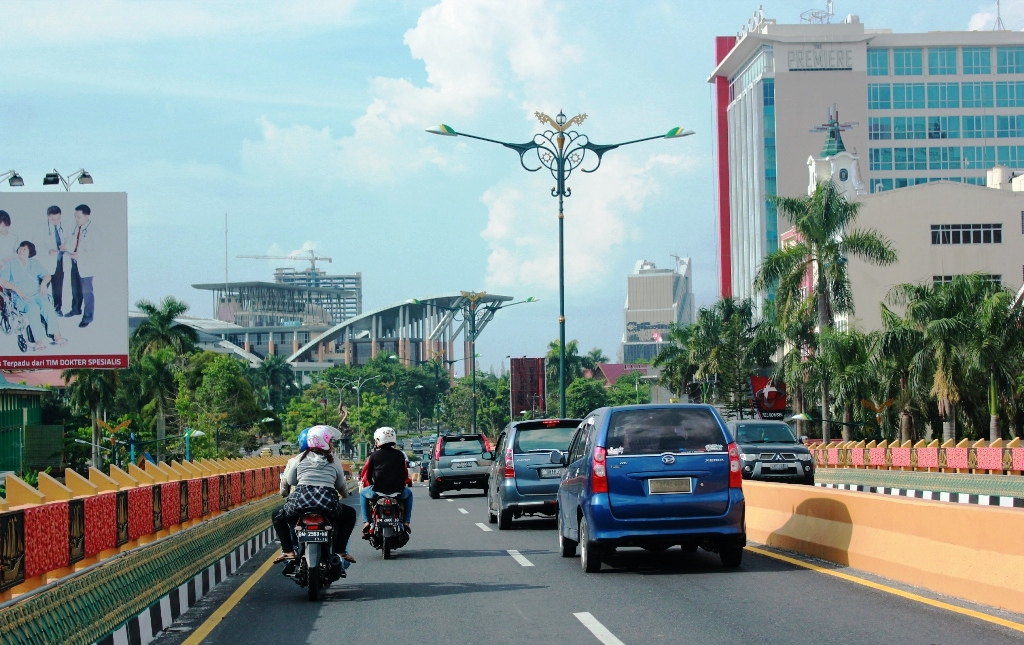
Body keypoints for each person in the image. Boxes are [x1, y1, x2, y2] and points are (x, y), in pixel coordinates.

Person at [272, 425, 356, 566]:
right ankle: (340, 550)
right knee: (350, 514)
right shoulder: (334, 460)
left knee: (276, 515)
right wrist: (344, 494)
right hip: (327, 505)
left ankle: (288, 551)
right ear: (325, 442)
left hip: (300, 503)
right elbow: (341, 485)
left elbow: (291, 481)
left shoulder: (298, 459)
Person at [0, 241, 67, 350]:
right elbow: (2, 281)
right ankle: (38, 341)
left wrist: (44, 284)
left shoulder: (34, 263)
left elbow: (47, 275)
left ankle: (57, 336)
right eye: (20, 248)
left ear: (29, 253)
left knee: (48, 307)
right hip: (22, 297)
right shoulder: (10, 264)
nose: (21, 251)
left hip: (38, 294)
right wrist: (16, 289)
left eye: (24, 249)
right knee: (33, 309)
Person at [360, 426, 413, 536]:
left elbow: (369, 476)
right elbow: (404, 474)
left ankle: (366, 522)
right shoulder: (400, 455)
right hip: (397, 491)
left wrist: (371, 485)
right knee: (409, 494)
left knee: (363, 494)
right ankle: (407, 522)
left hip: (378, 491)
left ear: (378, 439)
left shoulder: (373, 455)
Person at [68, 204, 95, 328]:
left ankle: (87, 317)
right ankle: (75, 309)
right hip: (74, 263)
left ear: (87, 216)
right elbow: (72, 242)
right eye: (75, 216)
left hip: (85, 265)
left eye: (78, 217)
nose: (76, 219)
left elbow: (95, 251)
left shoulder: (94, 231)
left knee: (87, 292)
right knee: (75, 289)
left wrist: (79, 256)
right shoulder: (76, 228)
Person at [43, 206, 68, 316]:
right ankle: (40, 309)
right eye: (53, 219)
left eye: (58, 219)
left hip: (60, 262)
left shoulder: (63, 228)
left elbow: (70, 241)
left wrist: (65, 246)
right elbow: (36, 246)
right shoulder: (41, 229)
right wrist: (48, 250)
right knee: (43, 287)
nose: (56, 221)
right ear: (48, 217)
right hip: (46, 263)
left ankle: (57, 309)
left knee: (58, 288)